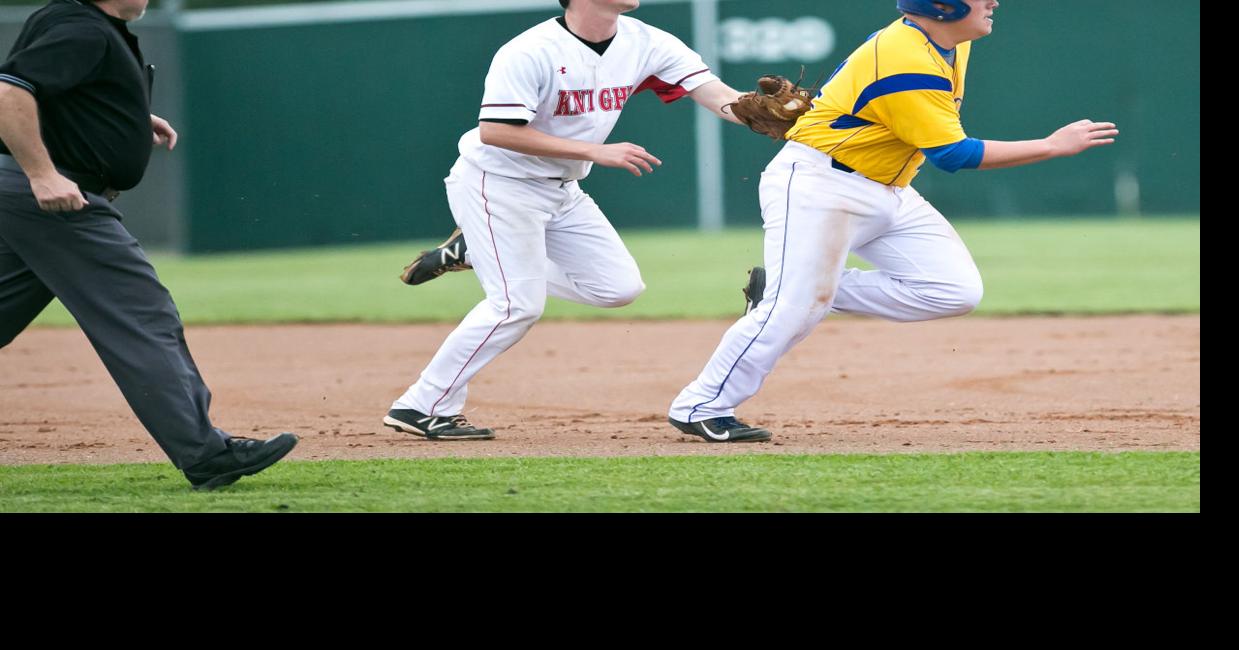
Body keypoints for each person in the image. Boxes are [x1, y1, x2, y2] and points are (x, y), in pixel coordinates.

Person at [666, 0, 1119, 441]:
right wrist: (1051, 145)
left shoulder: (947, 40)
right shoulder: (906, 60)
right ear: (942, 6)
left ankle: (794, 288)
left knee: (952, 290)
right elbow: (955, 154)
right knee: (794, 309)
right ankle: (701, 406)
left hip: (888, 186)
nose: (993, 2)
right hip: (821, 187)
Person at [383, 0, 751, 441]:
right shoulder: (530, 50)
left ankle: (478, 254)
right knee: (516, 305)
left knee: (618, 288)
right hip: (497, 183)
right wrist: (596, 151)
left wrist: (772, 115)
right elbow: (495, 131)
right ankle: (422, 405)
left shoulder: (646, 41)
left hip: (561, 190)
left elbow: (718, 95)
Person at [0, 0, 297, 489]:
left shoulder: (71, 19)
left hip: (24, 198)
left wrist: (122, 115)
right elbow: (12, 89)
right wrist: (42, 174)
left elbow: (52, 94)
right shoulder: (83, 27)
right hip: (60, 202)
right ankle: (207, 454)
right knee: (142, 316)